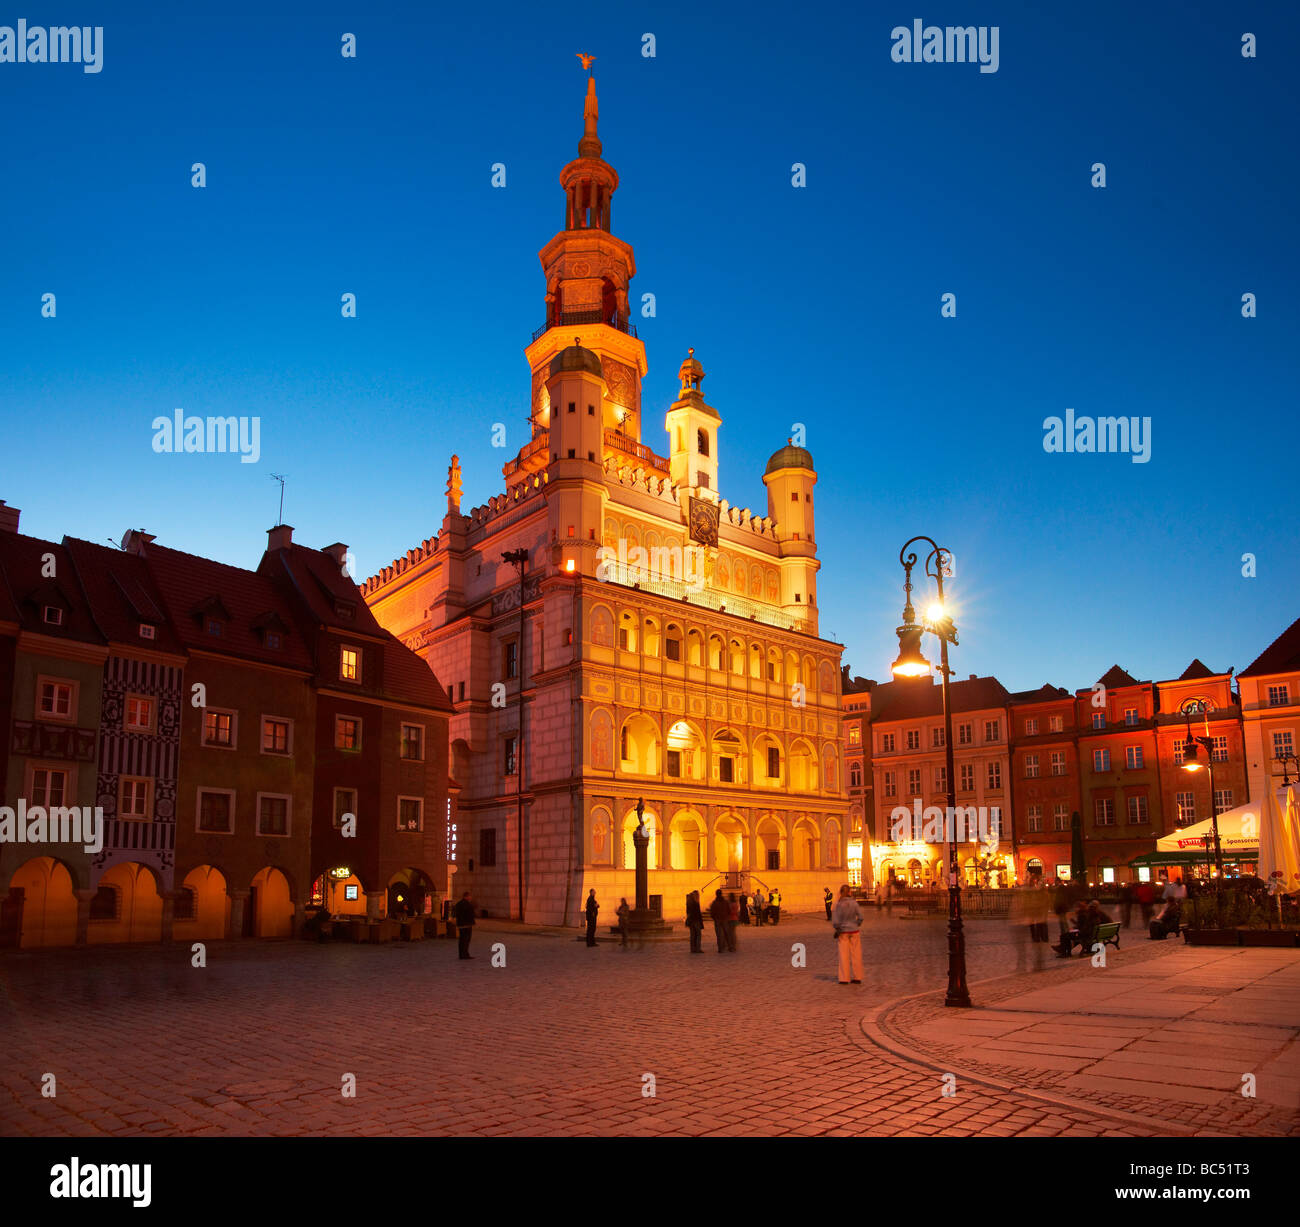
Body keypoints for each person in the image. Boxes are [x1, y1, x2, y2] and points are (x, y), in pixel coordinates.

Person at [831, 884, 864, 984]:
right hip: (854, 930)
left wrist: (838, 928)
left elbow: (835, 921)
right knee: (856, 954)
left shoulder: (838, 904)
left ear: (841, 892)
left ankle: (844, 978)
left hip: (843, 931)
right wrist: (856, 924)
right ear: (849, 892)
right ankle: (857, 977)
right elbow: (861, 917)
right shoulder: (854, 903)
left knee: (843, 955)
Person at [452, 891, 476, 960]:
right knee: (465, 940)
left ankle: (462, 954)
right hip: (466, 925)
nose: (470, 898)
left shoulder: (459, 903)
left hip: (461, 924)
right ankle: (464, 954)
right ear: (466, 896)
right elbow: (469, 914)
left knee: (462, 940)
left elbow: (455, 913)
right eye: (469, 896)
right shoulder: (466, 904)